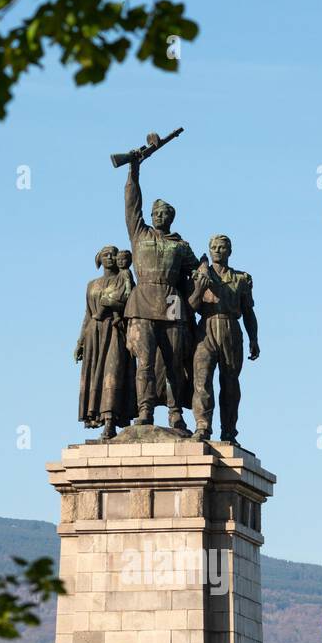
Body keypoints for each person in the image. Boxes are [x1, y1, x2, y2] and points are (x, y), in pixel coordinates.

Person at [123, 156, 199, 432]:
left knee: (173, 362)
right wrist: (134, 171)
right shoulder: (140, 234)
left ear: (172, 218)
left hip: (170, 301)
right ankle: (144, 410)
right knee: (144, 361)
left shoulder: (181, 246)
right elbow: (132, 205)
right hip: (142, 300)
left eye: (165, 213)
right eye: (157, 213)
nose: (160, 217)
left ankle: (175, 411)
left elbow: (199, 271)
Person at [188, 234, 259, 444]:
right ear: (210, 251)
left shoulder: (241, 278)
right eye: (214, 247)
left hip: (231, 329)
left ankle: (229, 431)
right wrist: (200, 288)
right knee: (202, 380)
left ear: (230, 251)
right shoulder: (200, 275)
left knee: (230, 383)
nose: (218, 250)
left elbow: (248, 311)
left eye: (222, 247)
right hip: (206, 328)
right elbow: (190, 306)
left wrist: (253, 338)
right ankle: (202, 426)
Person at [74, 245, 134, 439]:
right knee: (97, 376)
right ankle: (98, 417)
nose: (110, 257)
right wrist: (80, 341)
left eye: (113, 254)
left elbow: (129, 301)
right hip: (94, 333)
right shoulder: (92, 284)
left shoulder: (124, 278)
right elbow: (87, 314)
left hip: (115, 330)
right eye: (106, 254)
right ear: (99, 258)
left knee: (113, 372)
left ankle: (110, 420)